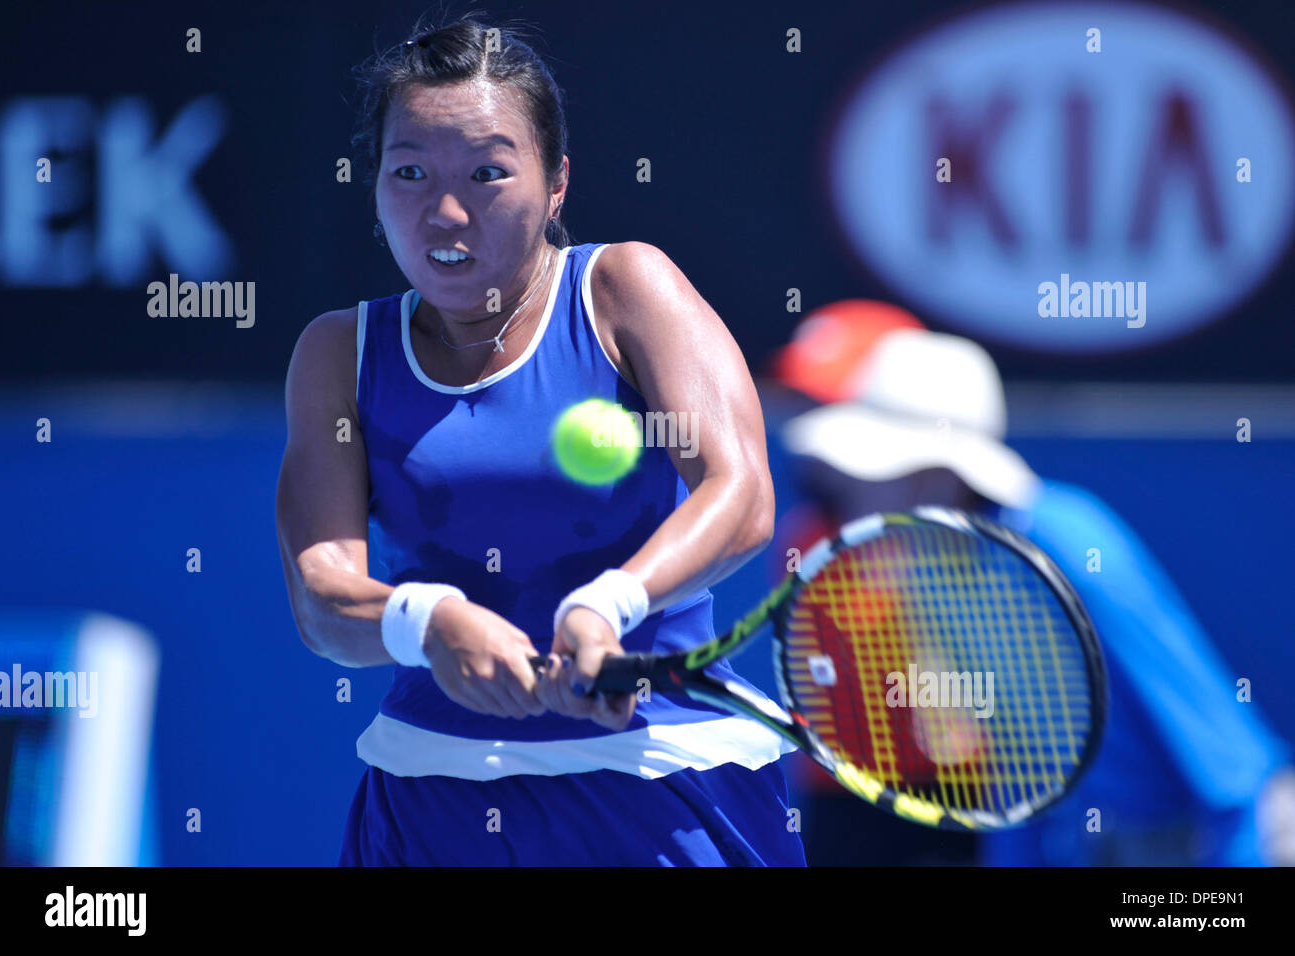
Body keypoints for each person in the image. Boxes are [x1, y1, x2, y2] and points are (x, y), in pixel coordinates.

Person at [274, 11, 804, 866]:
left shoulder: (627, 287)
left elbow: (739, 495)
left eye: (487, 172)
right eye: (408, 172)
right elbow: (322, 601)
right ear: (373, 185)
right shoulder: (338, 353)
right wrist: (430, 619)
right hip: (428, 810)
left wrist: (608, 606)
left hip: (663, 798)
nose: (445, 212)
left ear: (557, 182)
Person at [768, 322, 1295, 866]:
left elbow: (1231, 774)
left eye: (864, 471)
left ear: (936, 477)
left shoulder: (1068, 543)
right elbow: (1018, 777)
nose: (844, 492)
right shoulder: (923, 574)